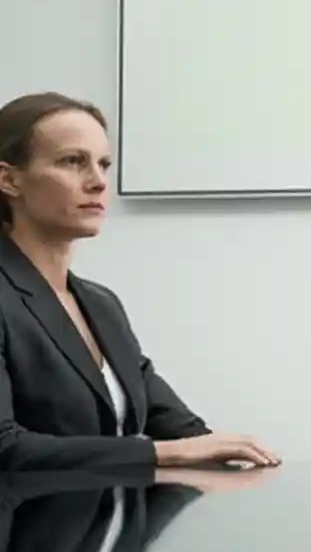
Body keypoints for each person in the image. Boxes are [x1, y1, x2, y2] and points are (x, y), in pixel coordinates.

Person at [0, 91, 281, 471]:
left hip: (112, 527)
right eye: (72, 161)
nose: (98, 182)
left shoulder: (101, 304)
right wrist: (164, 453)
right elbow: (7, 447)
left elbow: (187, 435)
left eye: (104, 164)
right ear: (9, 180)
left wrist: (233, 456)